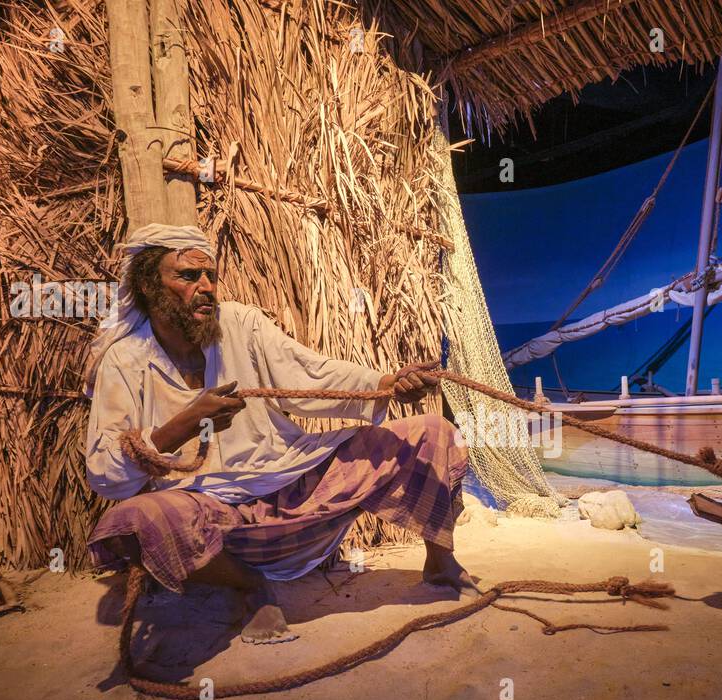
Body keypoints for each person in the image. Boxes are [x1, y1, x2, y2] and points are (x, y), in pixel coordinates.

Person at [83, 224, 473, 638]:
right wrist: (184, 426)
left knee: (432, 431)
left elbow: (310, 375)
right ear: (148, 285)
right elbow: (106, 474)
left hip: (293, 481)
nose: (207, 287)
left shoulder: (241, 324)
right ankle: (249, 585)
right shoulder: (124, 361)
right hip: (214, 513)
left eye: (211, 275)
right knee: (139, 518)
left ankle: (440, 556)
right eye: (188, 276)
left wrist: (385, 384)